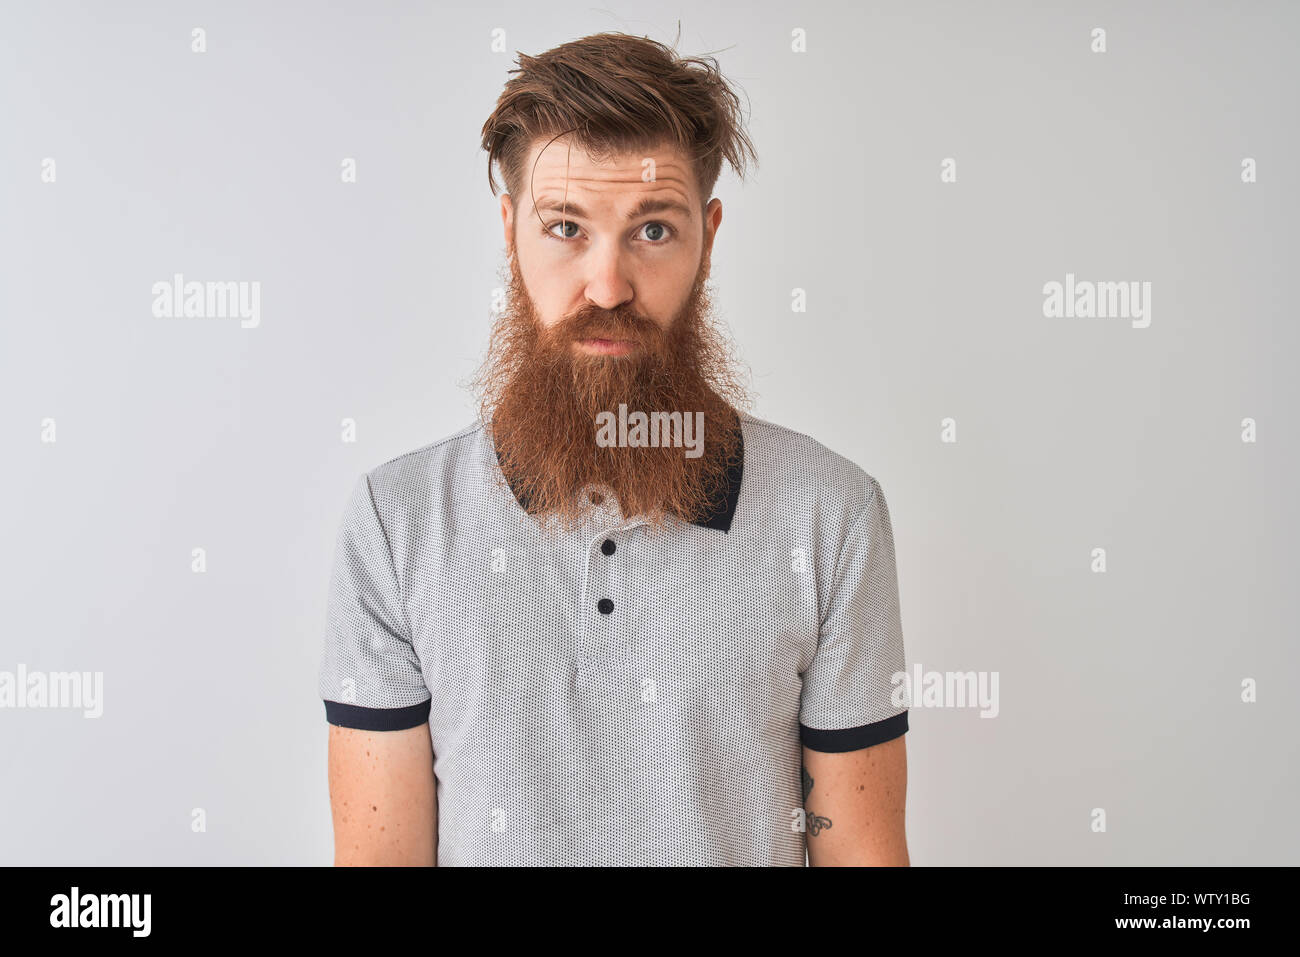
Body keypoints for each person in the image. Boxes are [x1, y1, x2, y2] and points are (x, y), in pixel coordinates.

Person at [318, 31, 909, 866]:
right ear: (509, 230)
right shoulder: (396, 522)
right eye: (565, 227)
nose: (607, 285)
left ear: (707, 237)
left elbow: (861, 854)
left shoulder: (832, 513)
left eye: (653, 231)